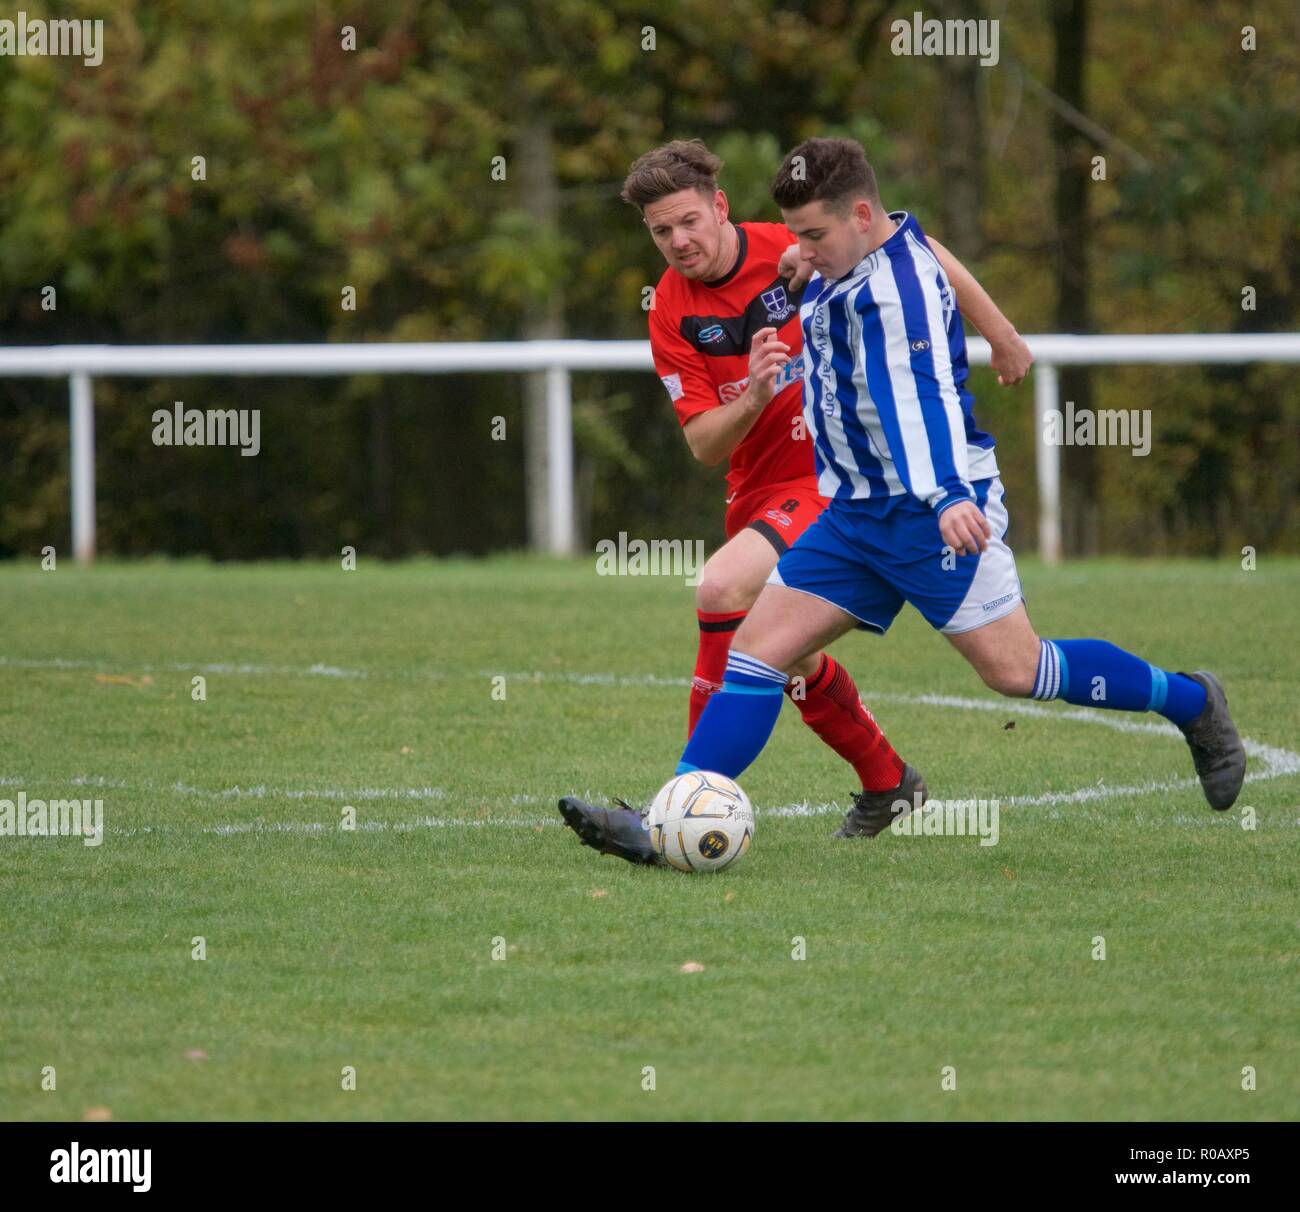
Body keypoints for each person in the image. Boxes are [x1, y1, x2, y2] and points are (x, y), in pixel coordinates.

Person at [660, 135, 1245, 838]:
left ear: (863, 217)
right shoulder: (865, 247)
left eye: (814, 235)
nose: (802, 249)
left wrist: (948, 495)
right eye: (796, 234)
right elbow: (926, 248)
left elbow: (921, 406)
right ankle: (673, 811)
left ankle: (1189, 701)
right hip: (853, 514)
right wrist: (995, 329)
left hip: (929, 513)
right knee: (755, 651)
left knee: (1017, 670)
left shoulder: (888, 299)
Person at [559, 138, 1039, 865]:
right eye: (661, 232)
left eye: (689, 221)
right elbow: (705, 446)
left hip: (834, 478)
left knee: (721, 587)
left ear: (719, 207)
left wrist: (1000, 335)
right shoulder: (668, 314)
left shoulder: (792, 242)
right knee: (782, 658)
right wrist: (754, 390)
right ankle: (889, 782)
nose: (679, 241)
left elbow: (921, 251)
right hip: (758, 489)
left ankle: (672, 813)